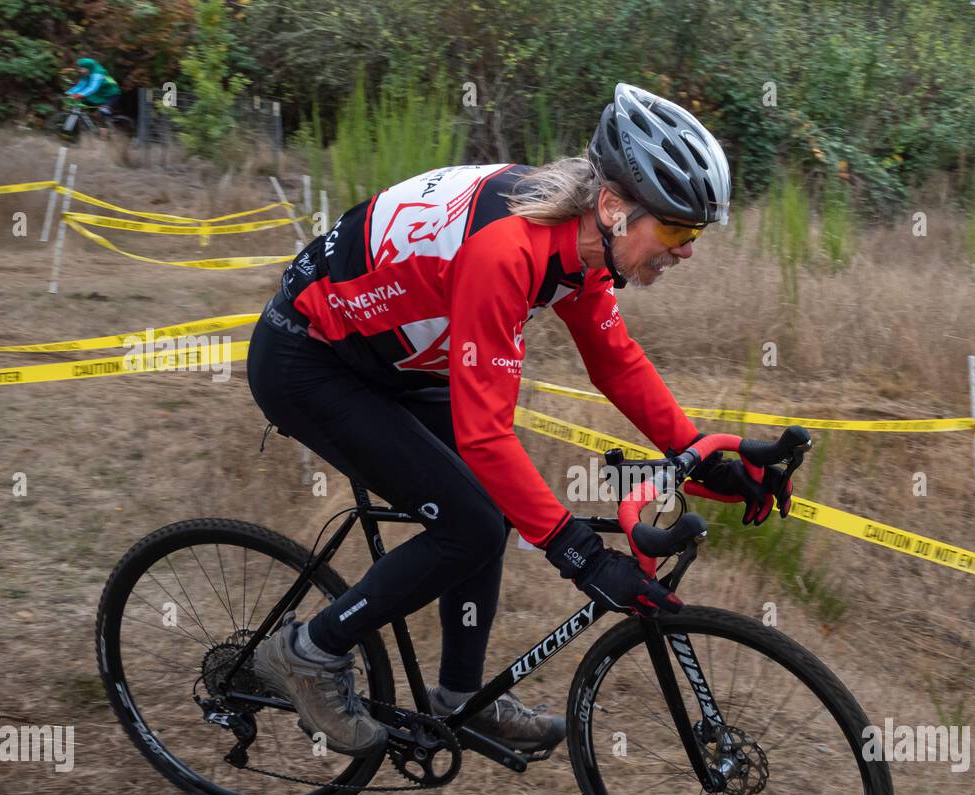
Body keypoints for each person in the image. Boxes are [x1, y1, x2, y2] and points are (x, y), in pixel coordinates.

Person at [248, 83, 792, 758]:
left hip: (394, 356)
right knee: (471, 522)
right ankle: (309, 651)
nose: (685, 251)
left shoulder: (582, 242)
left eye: (695, 234)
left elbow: (614, 362)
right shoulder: (508, 250)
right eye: (678, 230)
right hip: (309, 356)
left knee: (491, 510)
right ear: (614, 207)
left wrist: (705, 459)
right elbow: (485, 434)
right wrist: (580, 554)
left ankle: (459, 699)